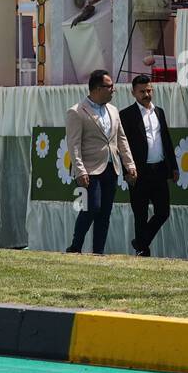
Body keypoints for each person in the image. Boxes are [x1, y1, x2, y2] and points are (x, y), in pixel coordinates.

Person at [65, 69, 136, 254]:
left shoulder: (113, 110)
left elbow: (121, 139)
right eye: (110, 86)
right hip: (89, 169)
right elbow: (73, 144)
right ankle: (75, 247)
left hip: (111, 167)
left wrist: (130, 164)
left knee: (104, 213)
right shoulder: (77, 111)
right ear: (97, 88)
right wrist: (80, 170)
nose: (113, 90)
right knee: (91, 208)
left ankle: (98, 252)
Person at [119, 75, 178, 257]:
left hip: (159, 170)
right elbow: (121, 146)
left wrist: (174, 167)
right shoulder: (126, 115)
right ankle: (142, 250)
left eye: (149, 90)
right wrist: (126, 171)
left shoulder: (158, 112)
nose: (146, 94)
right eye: (142, 91)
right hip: (138, 172)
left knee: (163, 212)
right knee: (140, 213)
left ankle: (141, 241)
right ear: (133, 93)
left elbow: (166, 140)